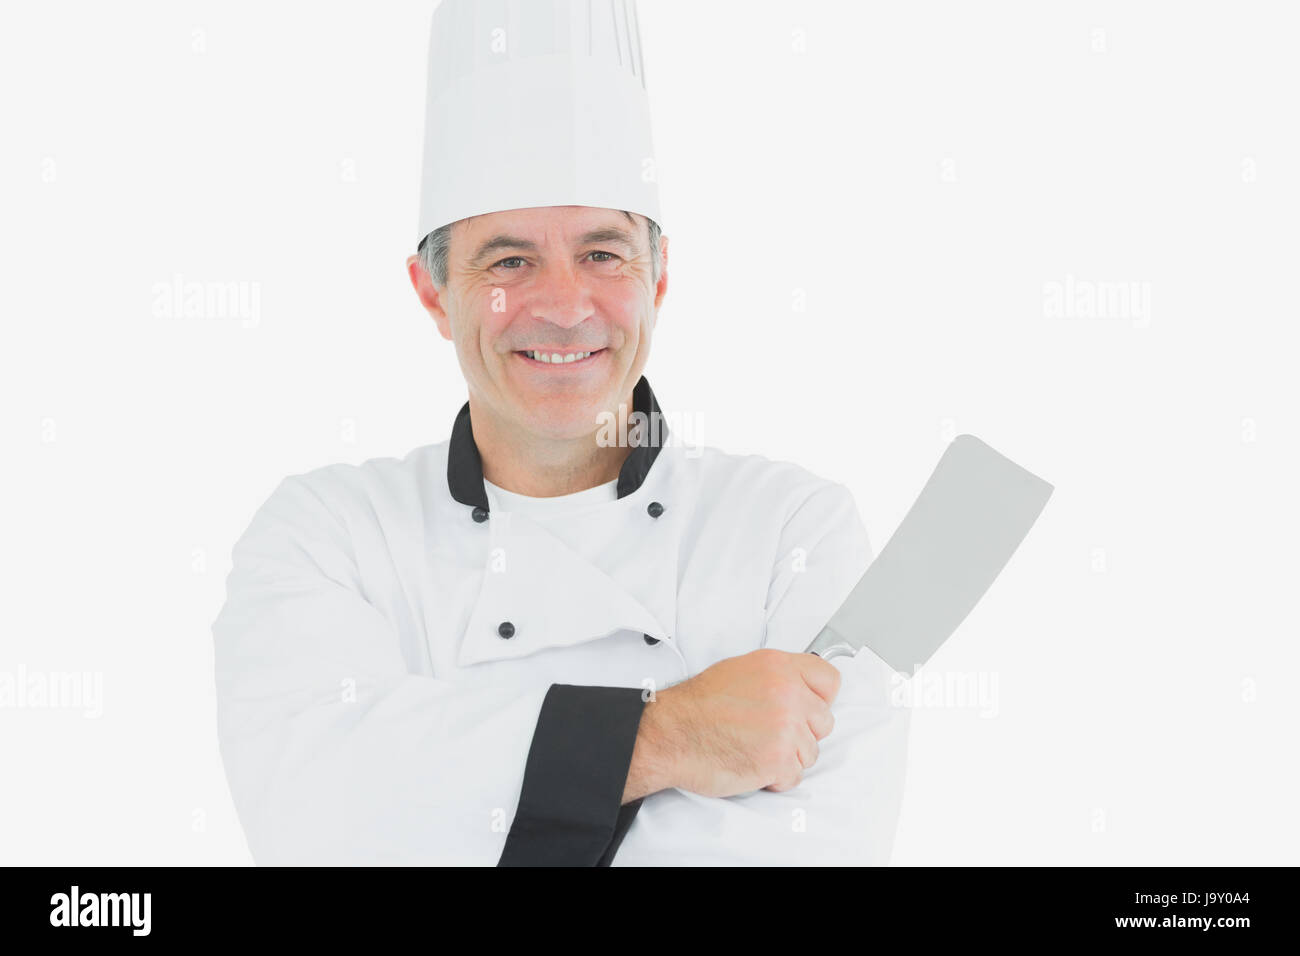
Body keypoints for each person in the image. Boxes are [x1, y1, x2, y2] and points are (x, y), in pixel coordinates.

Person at [212, 0, 908, 866]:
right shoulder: (326, 534)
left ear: (658, 280)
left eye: (603, 253)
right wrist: (666, 737)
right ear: (434, 295)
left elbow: (821, 845)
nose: (565, 306)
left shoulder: (793, 529)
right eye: (509, 260)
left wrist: (457, 788)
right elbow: (315, 817)